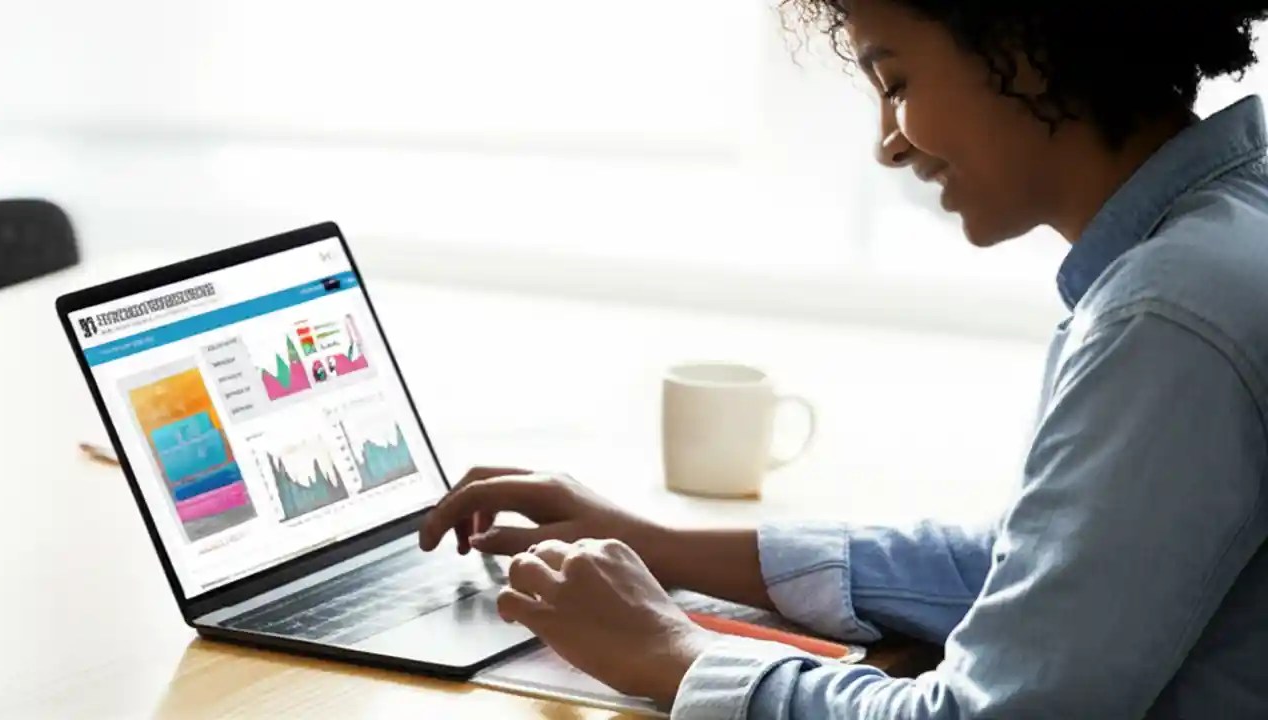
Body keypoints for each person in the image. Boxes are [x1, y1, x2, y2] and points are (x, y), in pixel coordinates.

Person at [419, 1, 1268, 717]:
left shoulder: (1167, 320)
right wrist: (656, 543)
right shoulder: (1223, 238)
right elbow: (1029, 567)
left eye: (895, 83)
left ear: (1026, 50)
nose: (888, 145)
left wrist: (670, 651)